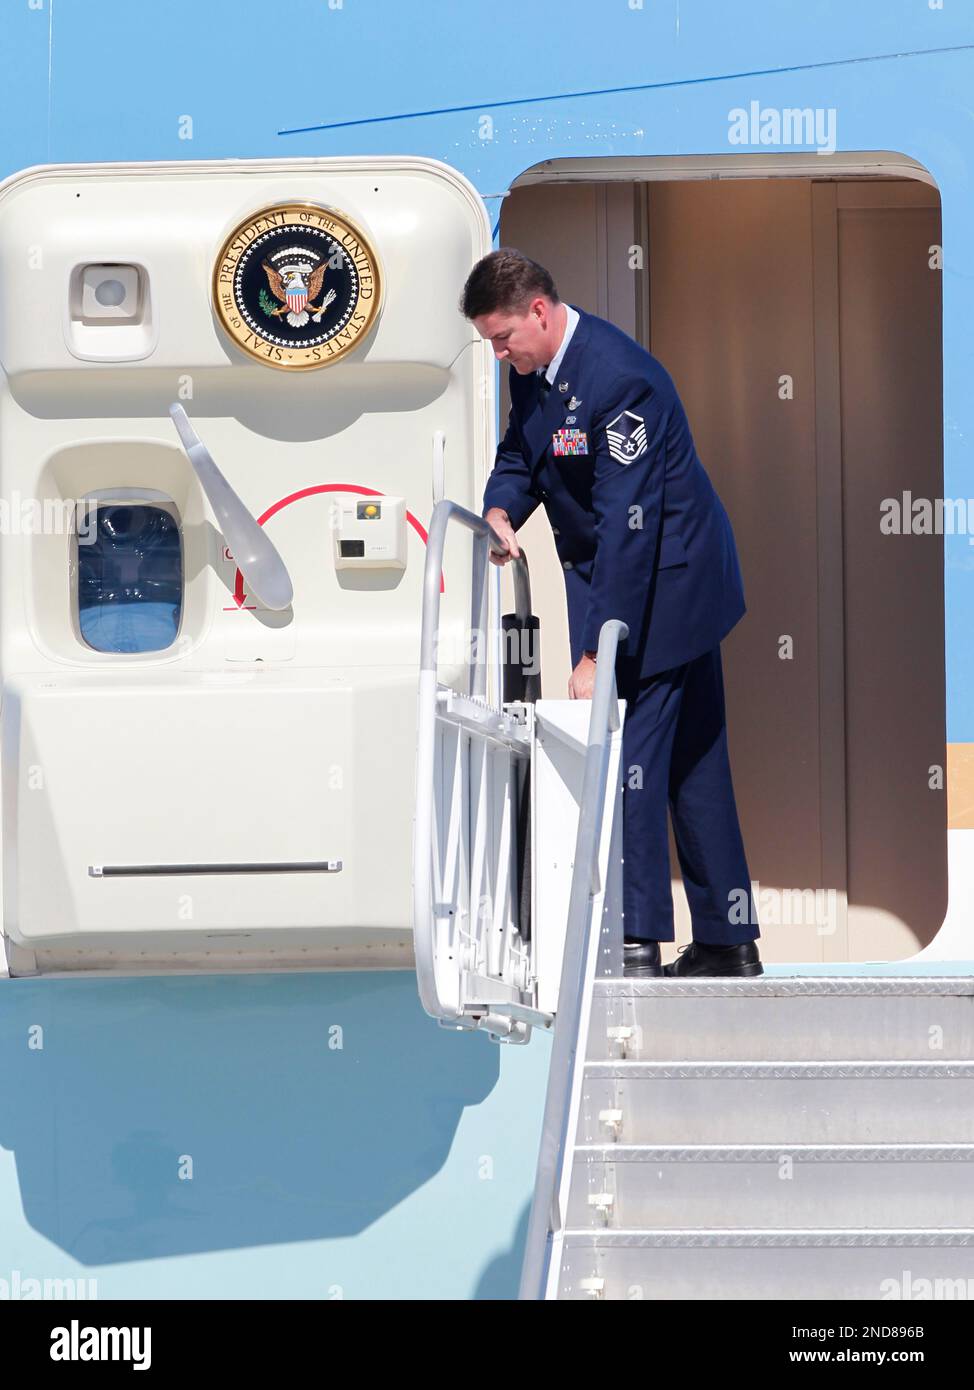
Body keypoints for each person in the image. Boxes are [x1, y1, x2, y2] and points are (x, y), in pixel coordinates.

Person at [460, 249, 761, 978]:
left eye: (501, 338)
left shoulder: (621, 380)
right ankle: (727, 942)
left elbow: (630, 526)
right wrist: (500, 510)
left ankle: (633, 943)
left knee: (629, 761)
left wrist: (600, 652)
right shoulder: (533, 370)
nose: (498, 353)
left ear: (539, 311)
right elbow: (522, 452)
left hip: (665, 590)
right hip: (643, 584)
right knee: (693, 763)